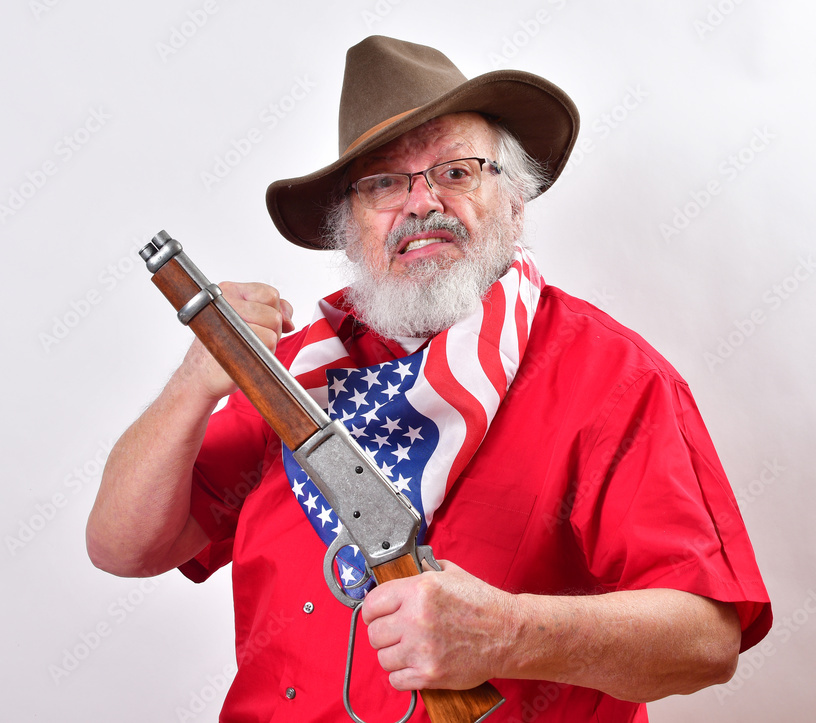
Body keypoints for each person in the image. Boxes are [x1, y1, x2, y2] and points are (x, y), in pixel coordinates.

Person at [86, 35, 771, 722]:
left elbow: (706, 639)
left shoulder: (612, 375)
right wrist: (193, 383)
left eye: (456, 170)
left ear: (515, 202)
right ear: (348, 228)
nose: (419, 203)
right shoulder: (294, 373)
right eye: (383, 182)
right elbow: (123, 546)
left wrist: (509, 632)